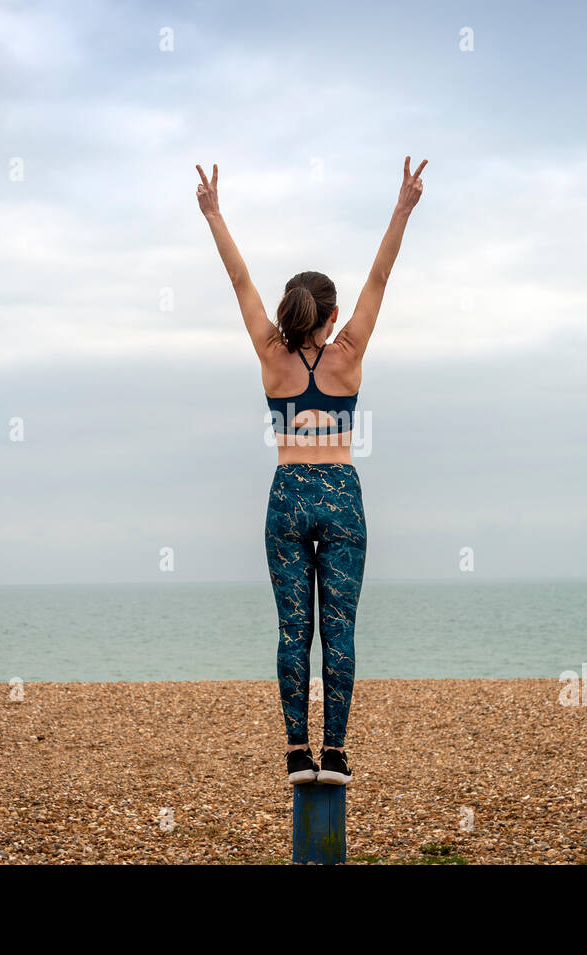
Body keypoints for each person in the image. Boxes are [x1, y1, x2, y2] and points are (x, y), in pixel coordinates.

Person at [196, 156, 427, 785]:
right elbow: (382, 275)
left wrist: (214, 214)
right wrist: (403, 206)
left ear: (292, 313)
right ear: (330, 316)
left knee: (293, 627)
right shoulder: (348, 353)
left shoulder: (271, 355)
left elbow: (238, 279)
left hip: (288, 494)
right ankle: (338, 755)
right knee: (340, 630)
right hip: (341, 494)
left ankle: (298, 754)